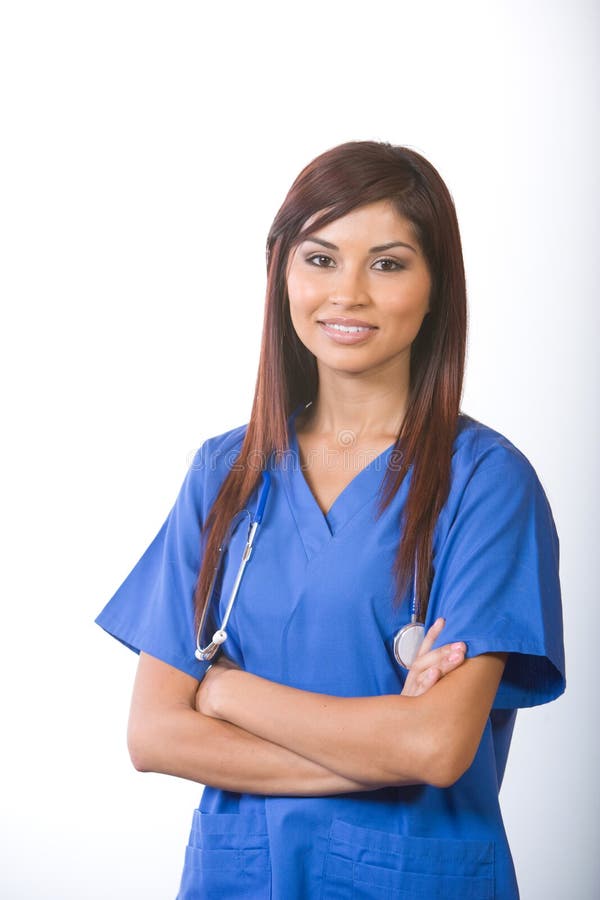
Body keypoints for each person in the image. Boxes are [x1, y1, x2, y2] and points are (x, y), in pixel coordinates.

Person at [95, 140, 566, 899]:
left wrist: (225, 695)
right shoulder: (225, 474)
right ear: (281, 273)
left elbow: (438, 747)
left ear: (437, 286)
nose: (348, 293)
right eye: (321, 259)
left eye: (387, 264)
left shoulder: (485, 483)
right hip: (239, 879)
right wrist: (384, 748)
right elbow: (154, 734)